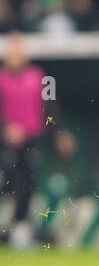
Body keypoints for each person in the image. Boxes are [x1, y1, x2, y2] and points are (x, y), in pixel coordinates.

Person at [0, 33, 46, 248]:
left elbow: (49, 106)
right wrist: (6, 129)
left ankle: (21, 229)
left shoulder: (39, 76)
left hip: (31, 140)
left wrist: (60, 133)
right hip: (6, 142)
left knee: (27, 186)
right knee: (12, 185)